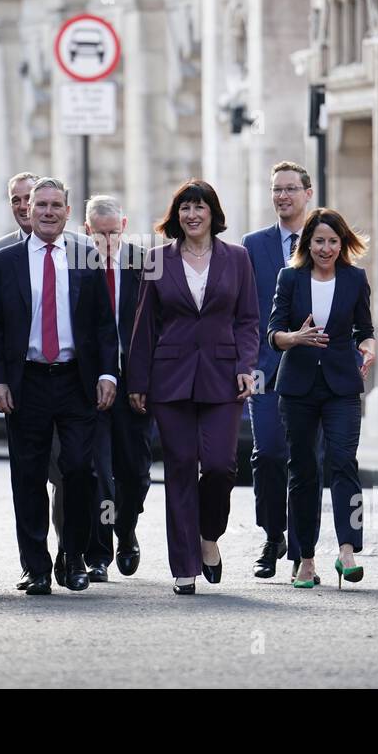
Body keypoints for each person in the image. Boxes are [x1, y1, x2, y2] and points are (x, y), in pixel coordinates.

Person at [0, 177, 119, 595]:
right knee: (27, 475)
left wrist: (107, 374)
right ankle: (36, 566)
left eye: (55, 205)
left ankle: (72, 556)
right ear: (28, 210)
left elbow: (102, 323)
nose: (45, 211)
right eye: (39, 204)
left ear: (67, 211)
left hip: (75, 381)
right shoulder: (4, 261)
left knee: (79, 470)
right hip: (27, 382)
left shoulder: (86, 256)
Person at [127, 180, 259, 594]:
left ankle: (208, 537)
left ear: (212, 213)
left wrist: (246, 365)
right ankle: (184, 566)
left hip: (223, 376)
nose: (192, 215)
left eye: (199, 207)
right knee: (181, 466)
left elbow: (249, 320)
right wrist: (137, 379)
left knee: (220, 465)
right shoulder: (156, 259)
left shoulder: (237, 258)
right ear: (176, 215)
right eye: (185, 208)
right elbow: (144, 324)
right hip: (170, 378)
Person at [267, 208, 376, 589]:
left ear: (342, 243)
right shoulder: (290, 278)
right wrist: (295, 338)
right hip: (297, 386)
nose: (326, 248)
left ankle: (347, 551)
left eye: (332, 241)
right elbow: (274, 333)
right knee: (303, 470)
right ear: (307, 243)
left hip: (342, 386)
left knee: (344, 461)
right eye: (319, 241)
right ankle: (305, 559)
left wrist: (367, 348)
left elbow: (365, 328)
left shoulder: (355, 279)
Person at [242, 160, 316, 578]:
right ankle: (273, 535)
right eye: (276, 190)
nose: (282, 196)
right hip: (265, 369)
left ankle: (302, 552)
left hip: (314, 371)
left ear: (308, 193)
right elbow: (243, 309)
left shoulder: (327, 239)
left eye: (290, 188)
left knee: (305, 459)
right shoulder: (253, 245)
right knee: (268, 453)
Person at [83, 195, 153, 580]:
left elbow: (158, 325)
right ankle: (99, 551)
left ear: (124, 226)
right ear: (87, 229)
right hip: (93, 383)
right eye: (99, 233)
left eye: (113, 232)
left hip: (135, 383)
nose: (106, 241)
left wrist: (144, 379)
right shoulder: (80, 265)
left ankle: (126, 530)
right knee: (98, 472)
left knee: (136, 471)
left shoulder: (145, 263)